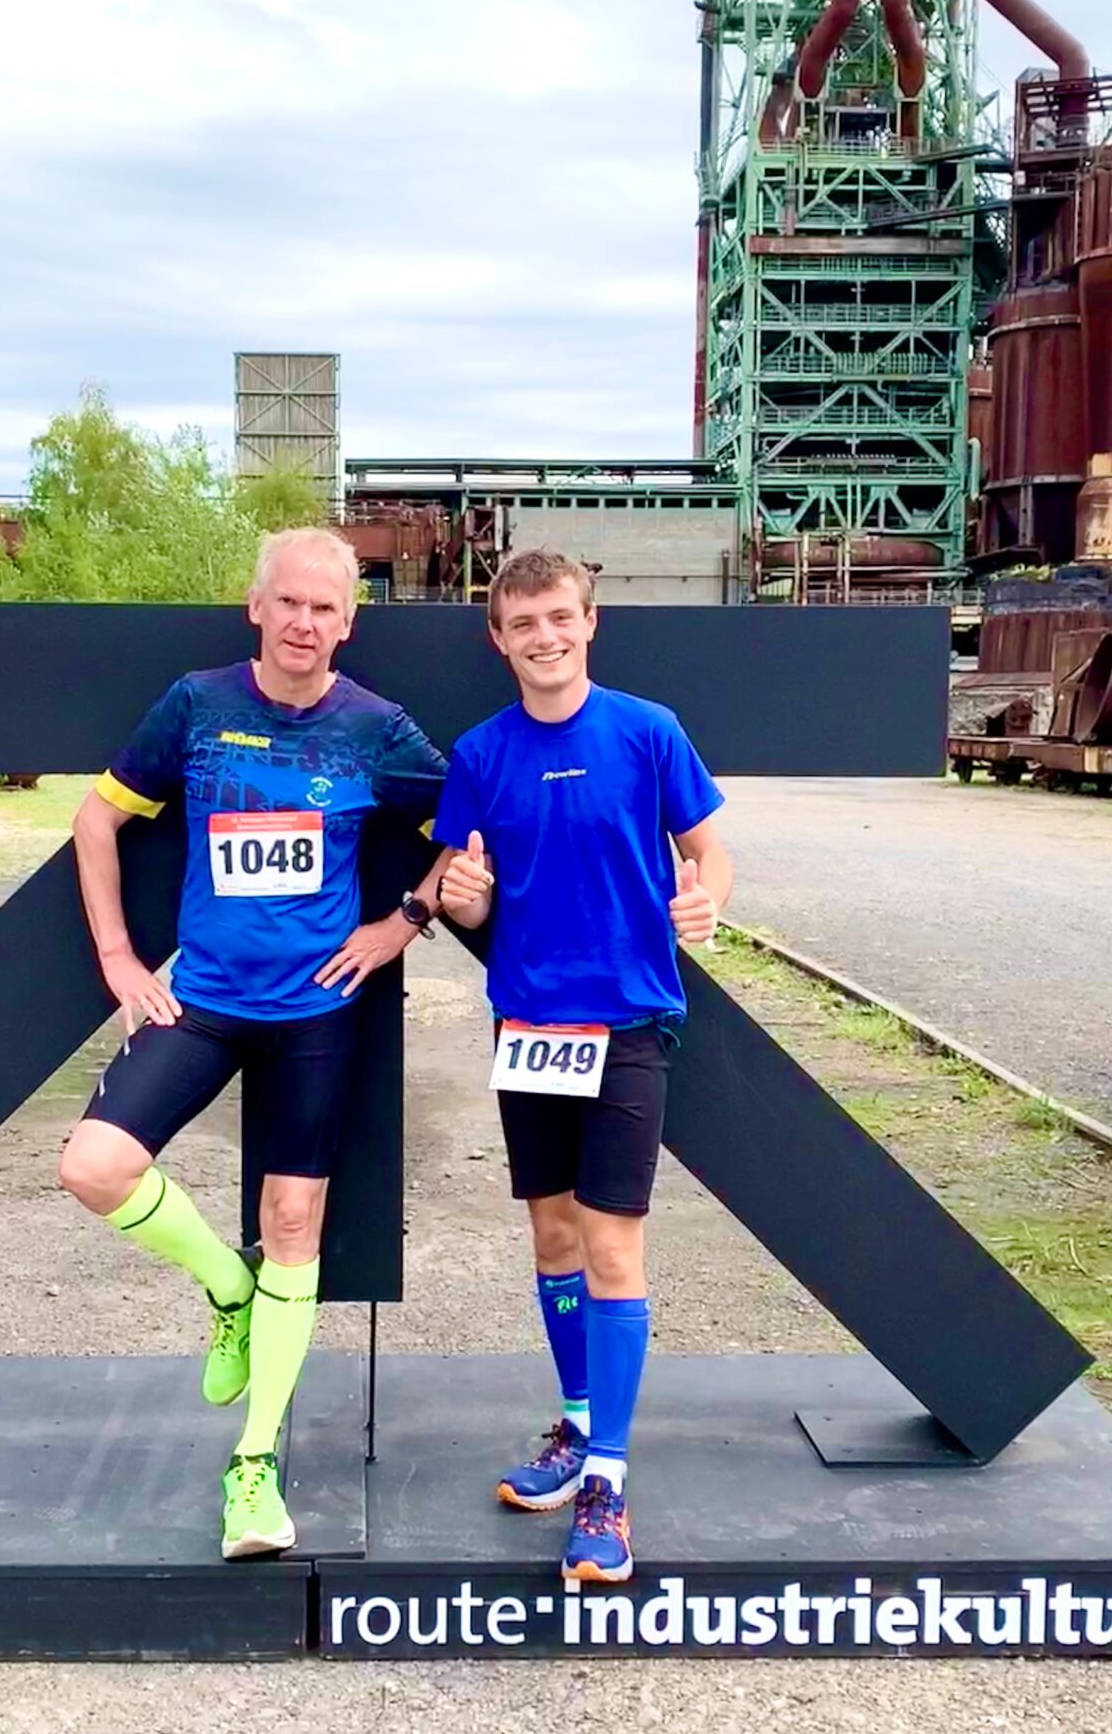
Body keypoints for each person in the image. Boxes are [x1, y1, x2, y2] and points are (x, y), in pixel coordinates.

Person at [57, 526, 448, 1559]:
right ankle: (227, 1290)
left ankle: (254, 1465)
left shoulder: (376, 727)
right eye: (289, 602)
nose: (304, 622)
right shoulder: (196, 704)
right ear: (255, 606)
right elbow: (97, 820)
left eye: (325, 608)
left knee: (292, 1217)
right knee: (91, 1165)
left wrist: (399, 920)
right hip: (204, 999)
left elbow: (467, 819)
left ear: (347, 622)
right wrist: (117, 957)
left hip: (316, 1009)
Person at [434, 548, 732, 1584]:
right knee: (552, 1233)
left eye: (559, 617)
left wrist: (707, 897)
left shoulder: (648, 731)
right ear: (499, 638)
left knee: (612, 1247)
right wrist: (462, 890)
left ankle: (607, 1475)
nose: (543, 636)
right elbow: (464, 894)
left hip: (628, 1026)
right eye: (523, 623)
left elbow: (707, 848)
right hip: (529, 1029)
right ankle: (572, 1423)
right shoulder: (478, 752)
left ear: (588, 622)